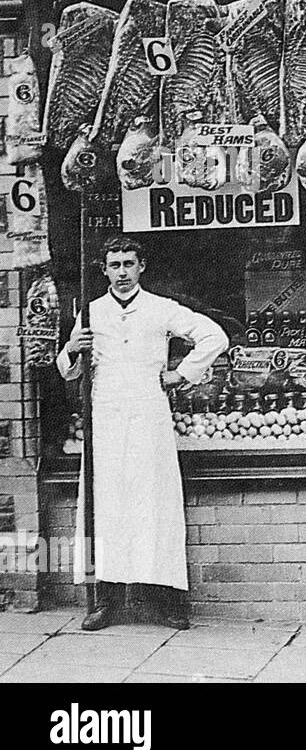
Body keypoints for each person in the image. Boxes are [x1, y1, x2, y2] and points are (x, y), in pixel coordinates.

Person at [58, 235, 229, 631]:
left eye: (128, 264)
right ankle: (105, 601)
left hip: (149, 414)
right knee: (106, 505)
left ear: (141, 267)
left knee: (154, 505)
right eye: (114, 265)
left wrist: (179, 374)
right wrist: (71, 345)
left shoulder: (160, 308)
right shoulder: (90, 313)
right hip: (106, 416)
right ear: (103, 269)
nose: (121, 273)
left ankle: (164, 600)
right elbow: (69, 370)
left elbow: (214, 336)